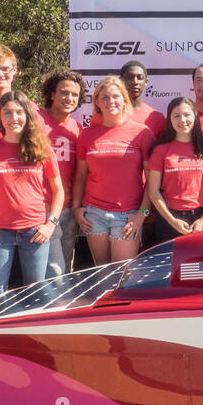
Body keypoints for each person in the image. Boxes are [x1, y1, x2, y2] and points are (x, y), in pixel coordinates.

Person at [0, 92, 62, 300]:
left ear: (27, 115)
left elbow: (59, 191)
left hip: (35, 231)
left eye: (19, 112)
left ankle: (34, 333)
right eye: (7, 113)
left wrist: (51, 224)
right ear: (0, 117)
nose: (14, 118)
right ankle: (0, 333)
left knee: (36, 290)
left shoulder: (42, 149)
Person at [72, 76, 151, 264]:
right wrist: (76, 208)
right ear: (97, 102)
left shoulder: (141, 132)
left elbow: (151, 180)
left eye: (115, 96)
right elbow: (81, 176)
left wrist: (142, 214)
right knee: (102, 272)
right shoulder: (87, 134)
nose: (110, 101)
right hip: (94, 214)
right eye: (104, 97)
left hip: (128, 215)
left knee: (121, 275)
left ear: (124, 99)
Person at [145, 96, 203, 243]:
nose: (182, 120)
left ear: (195, 116)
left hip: (201, 217)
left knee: (200, 265)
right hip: (168, 219)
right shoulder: (160, 150)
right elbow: (153, 191)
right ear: (170, 119)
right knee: (170, 265)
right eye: (176, 116)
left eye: (187, 115)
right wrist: (172, 221)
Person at [38, 70, 84, 276]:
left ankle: (59, 306)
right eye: (64, 93)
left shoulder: (77, 128)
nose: (69, 98)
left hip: (68, 208)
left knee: (64, 266)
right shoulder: (36, 121)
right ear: (51, 94)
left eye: (74, 94)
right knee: (52, 272)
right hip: (41, 207)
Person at [119, 59, 168, 137]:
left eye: (140, 77)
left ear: (146, 82)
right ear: (121, 80)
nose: (135, 82)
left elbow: (162, 148)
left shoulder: (157, 118)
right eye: (130, 77)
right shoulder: (109, 114)